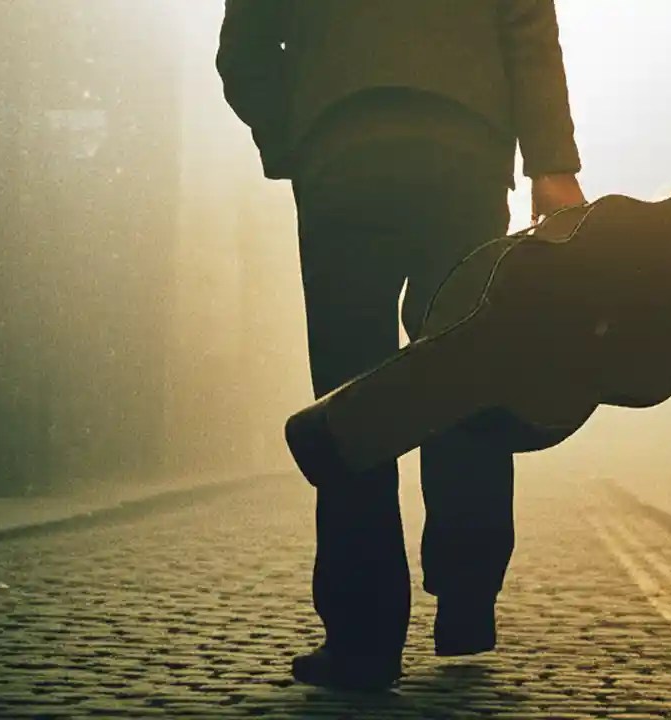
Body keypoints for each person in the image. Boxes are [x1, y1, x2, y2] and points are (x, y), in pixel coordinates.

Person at [217, 0, 586, 691]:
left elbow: (243, 54)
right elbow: (527, 23)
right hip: (464, 147)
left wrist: (295, 137)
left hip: (340, 146)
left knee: (351, 389)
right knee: (465, 362)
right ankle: (467, 590)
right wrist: (552, 163)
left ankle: (362, 636)